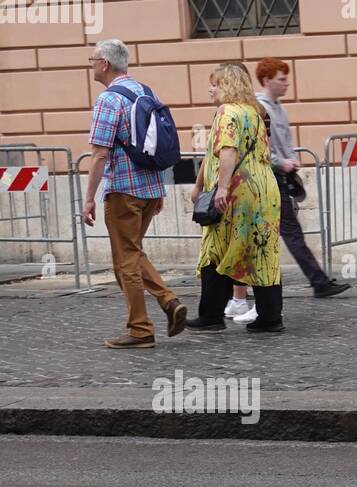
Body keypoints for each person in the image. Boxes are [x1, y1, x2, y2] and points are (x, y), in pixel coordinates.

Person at [218, 57, 348, 325]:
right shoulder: (258, 109)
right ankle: (250, 300)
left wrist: (290, 162)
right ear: (266, 81)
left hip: (277, 179)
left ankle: (245, 301)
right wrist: (281, 162)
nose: (286, 83)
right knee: (267, 239)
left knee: (266, 238)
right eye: (281, 79)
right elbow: (257, 147)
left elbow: (282, 143)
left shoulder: (277, 108)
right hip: (266, 180)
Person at [81, 38, 187, 348]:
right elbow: (156, 144)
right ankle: (167, 303)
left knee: (125, 259)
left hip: (123, 191)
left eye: (93, 60)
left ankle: (142, 329)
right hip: (149, 189)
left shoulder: (108, 100)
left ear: (104, 64)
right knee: (133, 252)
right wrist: (159, 188)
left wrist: (89, 198)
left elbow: (99, 154)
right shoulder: (146, 92)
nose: (91, 66)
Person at [186, 62, 283, 333]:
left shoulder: (226, 111)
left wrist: (222, 188)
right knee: (262, 250)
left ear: (227, 85)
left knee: (215, 249)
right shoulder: (255, 111)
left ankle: (211, 315)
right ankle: (270, 317)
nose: (210, 89)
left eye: (215, 84)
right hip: (264, 190)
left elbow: (227, 151)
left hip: (238, 194)